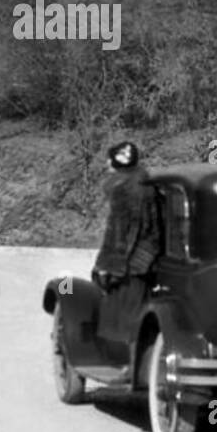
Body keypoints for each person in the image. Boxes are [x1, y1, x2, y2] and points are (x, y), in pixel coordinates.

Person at [91, 141, 162, 343]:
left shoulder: (123, 189)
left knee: (122, 320)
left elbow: (119, 233)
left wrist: (105, 266)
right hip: (147, 263)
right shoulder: (147, 184)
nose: (106, 163)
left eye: (109, 159)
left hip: (129, 267)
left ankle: (120, 358)